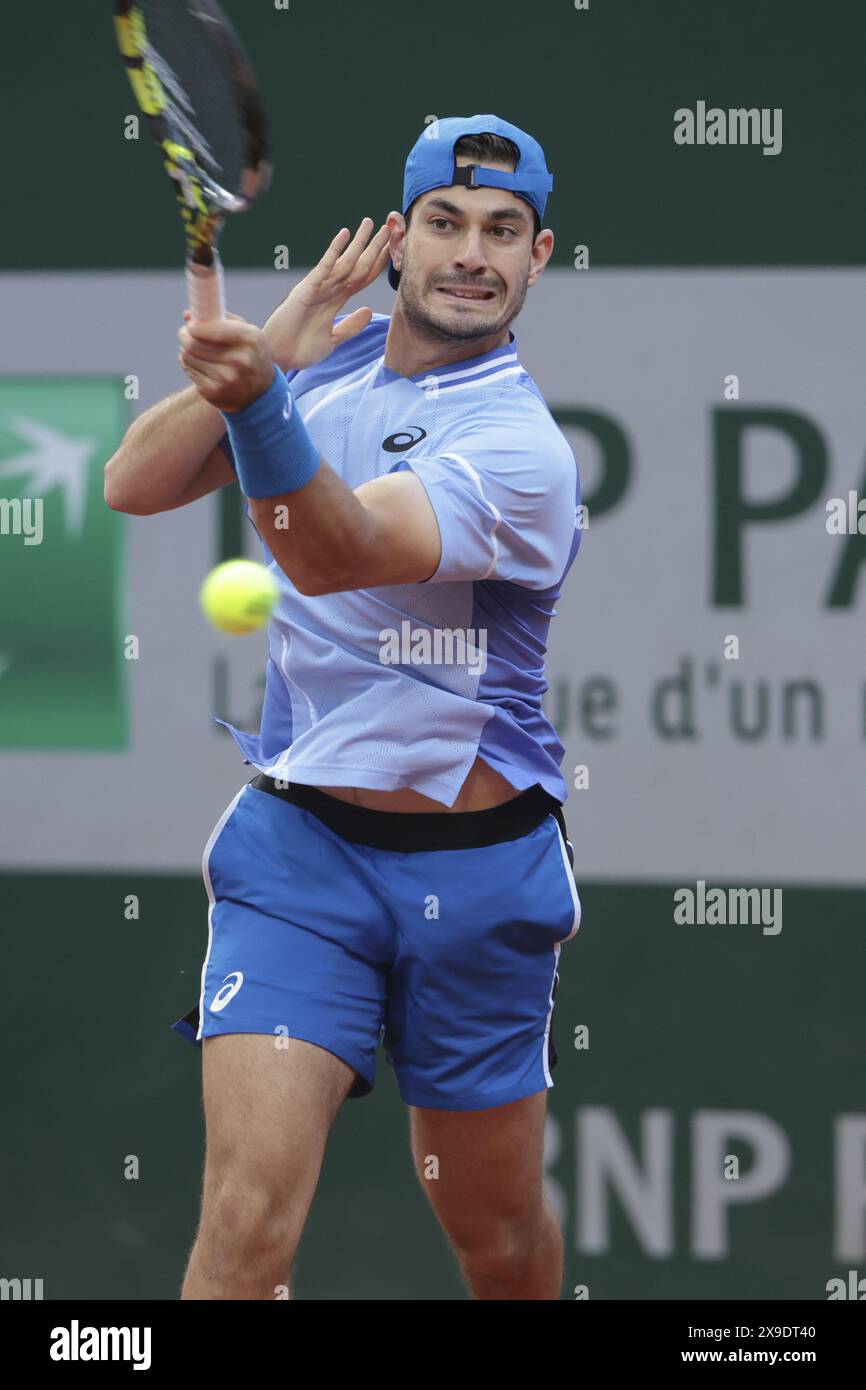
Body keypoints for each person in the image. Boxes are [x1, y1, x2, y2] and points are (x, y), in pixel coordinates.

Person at [104, 113, 582, 1301]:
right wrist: (268, 352)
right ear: (401, 240)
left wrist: (263, 399)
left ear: (538, 258)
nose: (471, 252)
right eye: (445, 223)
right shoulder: (324, 362)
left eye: (501, 231)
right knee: (244, 1221)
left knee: (498, 1235)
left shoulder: (521, 451)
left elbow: (338, 550)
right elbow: (132, 481)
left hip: (477, 881)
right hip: (299, 860)